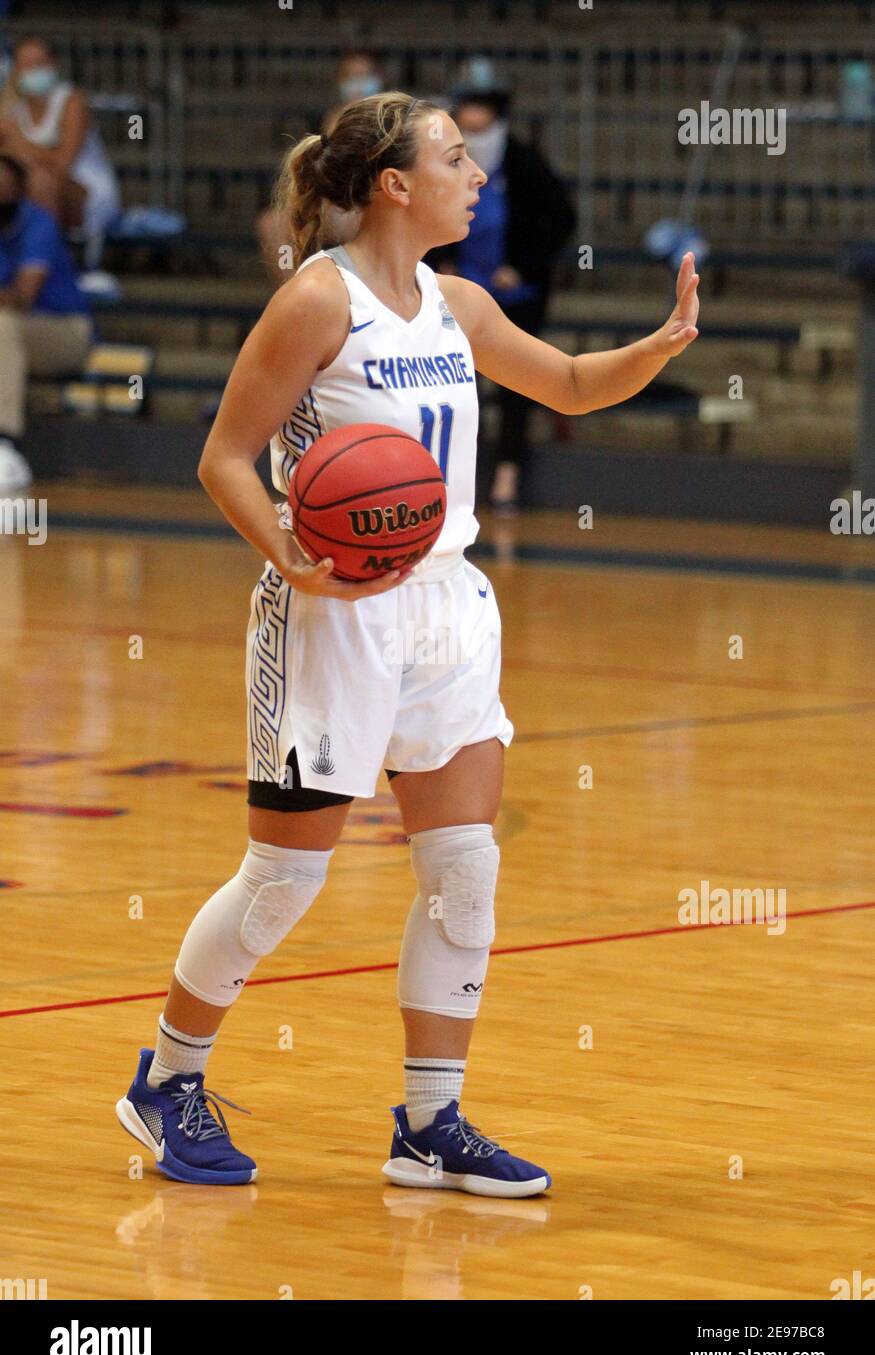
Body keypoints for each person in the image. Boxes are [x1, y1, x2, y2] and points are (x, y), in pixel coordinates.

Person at [116, 92, 699, 1194]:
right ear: (394, 185)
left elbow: (569, 382)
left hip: (445, 604)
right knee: (285, 877)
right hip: (333, 608)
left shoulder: (458, 304)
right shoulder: (315, 301)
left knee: (463, 871)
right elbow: (225, 458)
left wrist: (661, 344)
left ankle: (429, 1120)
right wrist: (285, 553)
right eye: (453, 156)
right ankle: (166, 1077)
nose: (475, 173)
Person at [431, 61, 575, 512]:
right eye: (469, 106)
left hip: (514, 295)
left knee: (518, 385)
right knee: (457, 383)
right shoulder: (436, 163)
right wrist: (443, 263)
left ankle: (507, 476)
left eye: (483, 106)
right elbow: (422, 216)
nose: (475, 116)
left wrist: (522, 266)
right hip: (459, 292)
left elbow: (561, 218)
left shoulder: (522, 159)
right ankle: (455, 482)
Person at [0, 154, 92, 489]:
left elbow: (23, 298)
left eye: (5, 188)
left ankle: (4, 443)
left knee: (3, 324)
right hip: (18, 333)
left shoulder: (39, 224)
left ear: (20, 192)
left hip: (65, 332)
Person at [255, 51, 384, 283]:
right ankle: (295, 294)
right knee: (273, 223)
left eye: (363, 75)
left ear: (377, 77)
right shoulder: (332, 118)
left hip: (377, 200)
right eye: (350, 76)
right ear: (340, 81)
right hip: (336, 199)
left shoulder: (394, 118)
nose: (357, 83)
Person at [0, 35, 121, 268]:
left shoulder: (72, 102)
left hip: (85, 192)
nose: (32, 70)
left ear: (54, 65)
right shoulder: (14, 110)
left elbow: (62, 163)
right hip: (34, 187)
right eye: (25, 65)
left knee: (42, 181)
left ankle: (46, 263)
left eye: (39, 64)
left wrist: (17, 142)